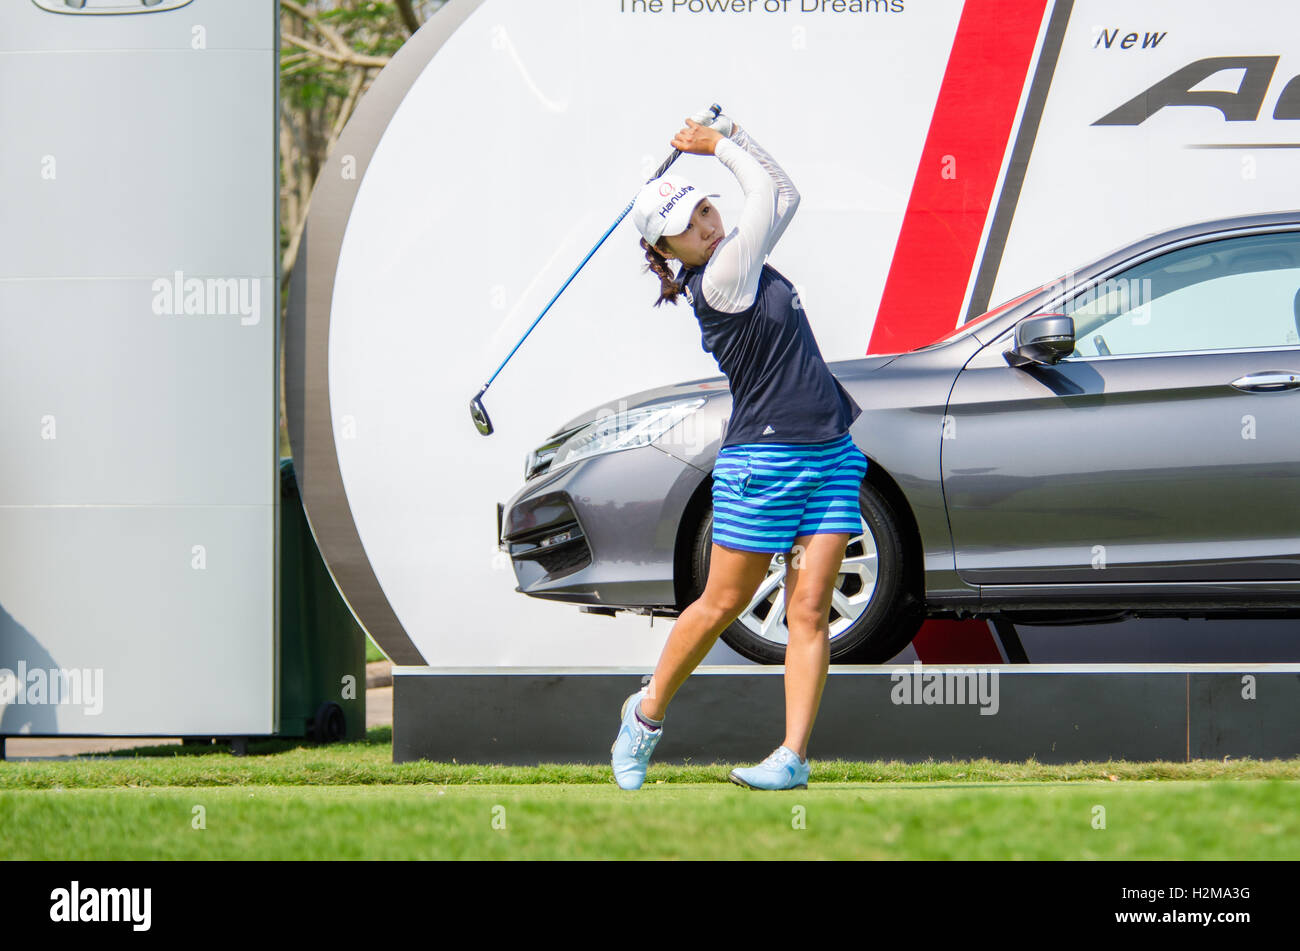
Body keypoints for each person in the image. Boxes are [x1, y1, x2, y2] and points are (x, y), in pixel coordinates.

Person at [610, 112, 869, 791]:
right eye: (687, 225)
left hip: (831, 454)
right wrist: (718, 145)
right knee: (721, 602)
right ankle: (644, 715)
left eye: (702, 209)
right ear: (669, 250)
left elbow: (784, 194)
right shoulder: (722, 277)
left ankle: (791, 756)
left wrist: (739, 137)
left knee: (809, 610)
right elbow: (761, 196)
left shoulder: (738, 254)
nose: (706, 224)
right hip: (765, 465)